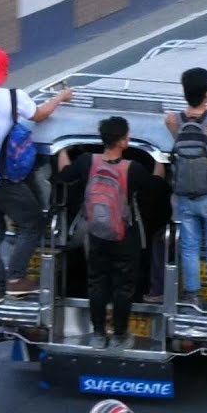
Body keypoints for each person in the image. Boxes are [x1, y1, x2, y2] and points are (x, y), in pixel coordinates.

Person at [0, 47, 72, 304]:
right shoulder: (14, 98)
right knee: (33, 221)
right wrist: (60, 98)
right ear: (6, 70)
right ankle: (16, 278)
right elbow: (40, 115)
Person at [55, 117, 168, 348]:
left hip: (96, 233)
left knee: (96, 283)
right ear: (124, 142)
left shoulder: (87, 161)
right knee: (123, 286)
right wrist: (160, 160)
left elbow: (65, 174)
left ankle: (98, 334)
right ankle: (118, 335)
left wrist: (63, 151)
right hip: (125, 236)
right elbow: (157, 186)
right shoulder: (133, 169)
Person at [164, 67, 207, 309]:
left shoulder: (173, 120)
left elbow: (174, 127)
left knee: (189, 247)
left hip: (184, 194)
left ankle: (191, 294)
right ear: (206, 92)